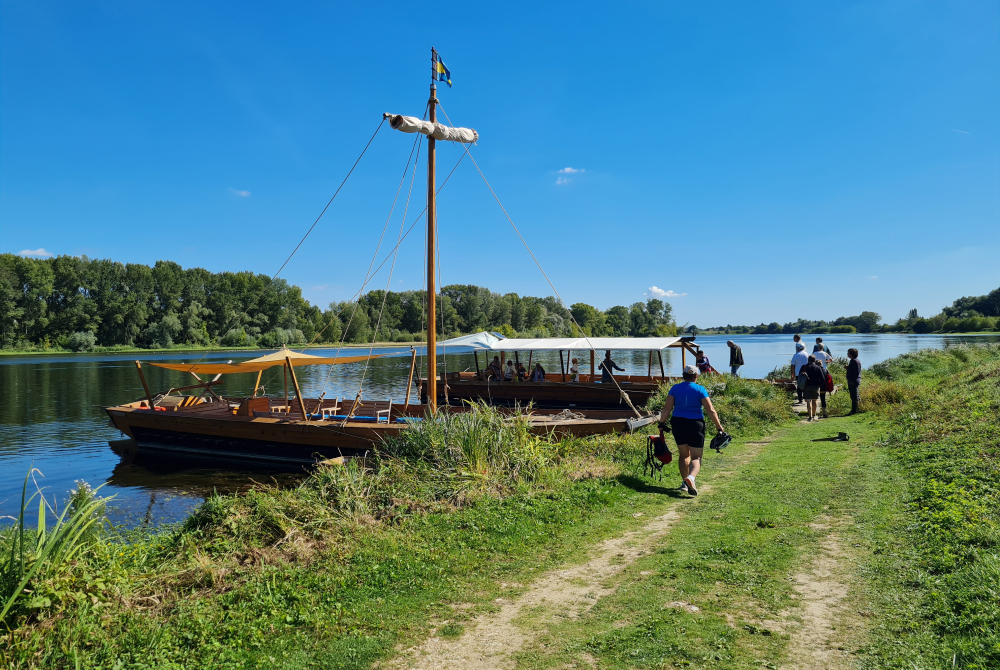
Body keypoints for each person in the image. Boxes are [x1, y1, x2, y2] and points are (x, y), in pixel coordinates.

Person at [657, 365, 726, 496]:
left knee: (684, 455)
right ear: (696, 376)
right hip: (695, 424)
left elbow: (667, 408)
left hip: (678, 423)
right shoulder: (700, 389)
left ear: (683, 376)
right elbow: (710, 410)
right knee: (696, 456)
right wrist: (718, 425)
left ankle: (685, 484)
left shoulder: (675, 388)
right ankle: (691, 478)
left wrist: (661, 423)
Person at [802, 355, 826, 421]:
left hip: (806, 386)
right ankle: (814, 414)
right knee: (814, 401)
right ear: (814, 360)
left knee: (808, 401)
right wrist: (819, 385)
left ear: (808, 360)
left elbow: (800, 378)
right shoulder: (818, 367)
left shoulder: (804, 367)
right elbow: (822, 378)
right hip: (815, 386)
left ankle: (810, 416)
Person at [812, 346, 833, 416]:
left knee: (814, 399)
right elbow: (829, 377)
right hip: (823, 386)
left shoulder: (814, 370)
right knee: (823, 399)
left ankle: (813, 413)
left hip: (815, 386)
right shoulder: (825, 370)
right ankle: (824, 412)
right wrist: (826, 361)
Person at [845, 348, 862, 415]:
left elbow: (856, 372)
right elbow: (853, 370)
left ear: (852, 354)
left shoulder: (855, 361)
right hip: (853, 380)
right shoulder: (853, 361)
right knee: (855, 395)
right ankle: (858, 408)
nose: (847, 354)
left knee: (854, 396)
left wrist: (852, 381)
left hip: (854, 381)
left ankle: (854, 411)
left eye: (848, 353)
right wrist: (848, 368)